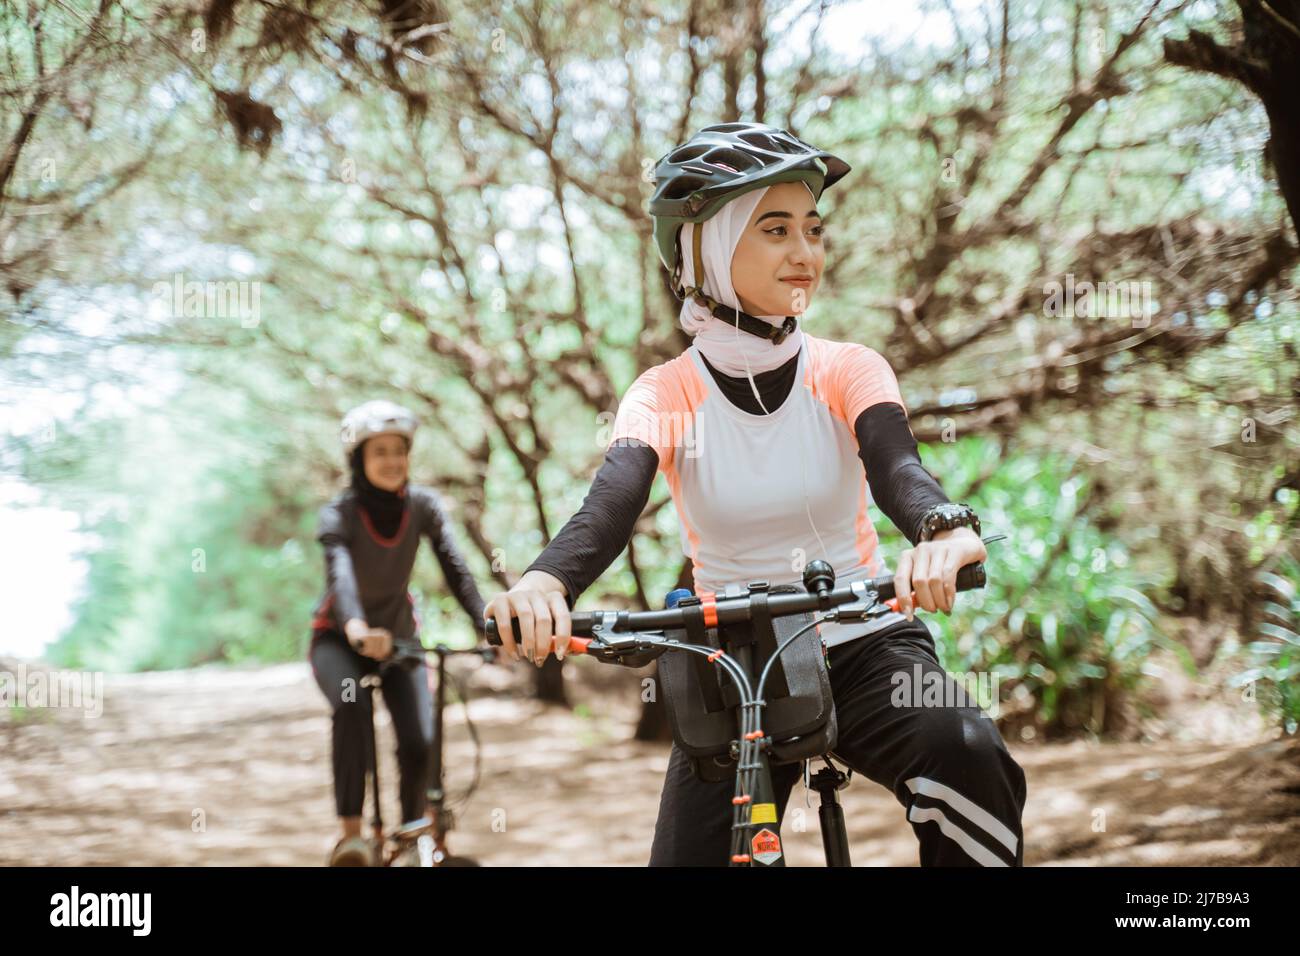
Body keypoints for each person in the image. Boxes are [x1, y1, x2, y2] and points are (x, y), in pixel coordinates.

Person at [483, 123, 1028, 866]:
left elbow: (899, 468)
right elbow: (609, 507)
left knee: (968, 751)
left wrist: (942, 528)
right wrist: (546, 583)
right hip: (730, 662)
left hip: (863, 637)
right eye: (775, 229)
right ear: (706, 247)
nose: (805, 251)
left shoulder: (847, 368)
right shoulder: (666, 391)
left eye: (812, 227)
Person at [309, 399, 487, 866]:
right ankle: (352, 838)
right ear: (359, 460)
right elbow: (341, 576)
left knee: (421, 737)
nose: (391, 461)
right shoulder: (339, 514)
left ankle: (412, 835)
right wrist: (355, 627)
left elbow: (454, 565)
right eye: (379, 451)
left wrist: (485, 624)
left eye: (399, 450)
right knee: (351, 705)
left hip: (400, 638)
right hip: (338, 639)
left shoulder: (423, 506)